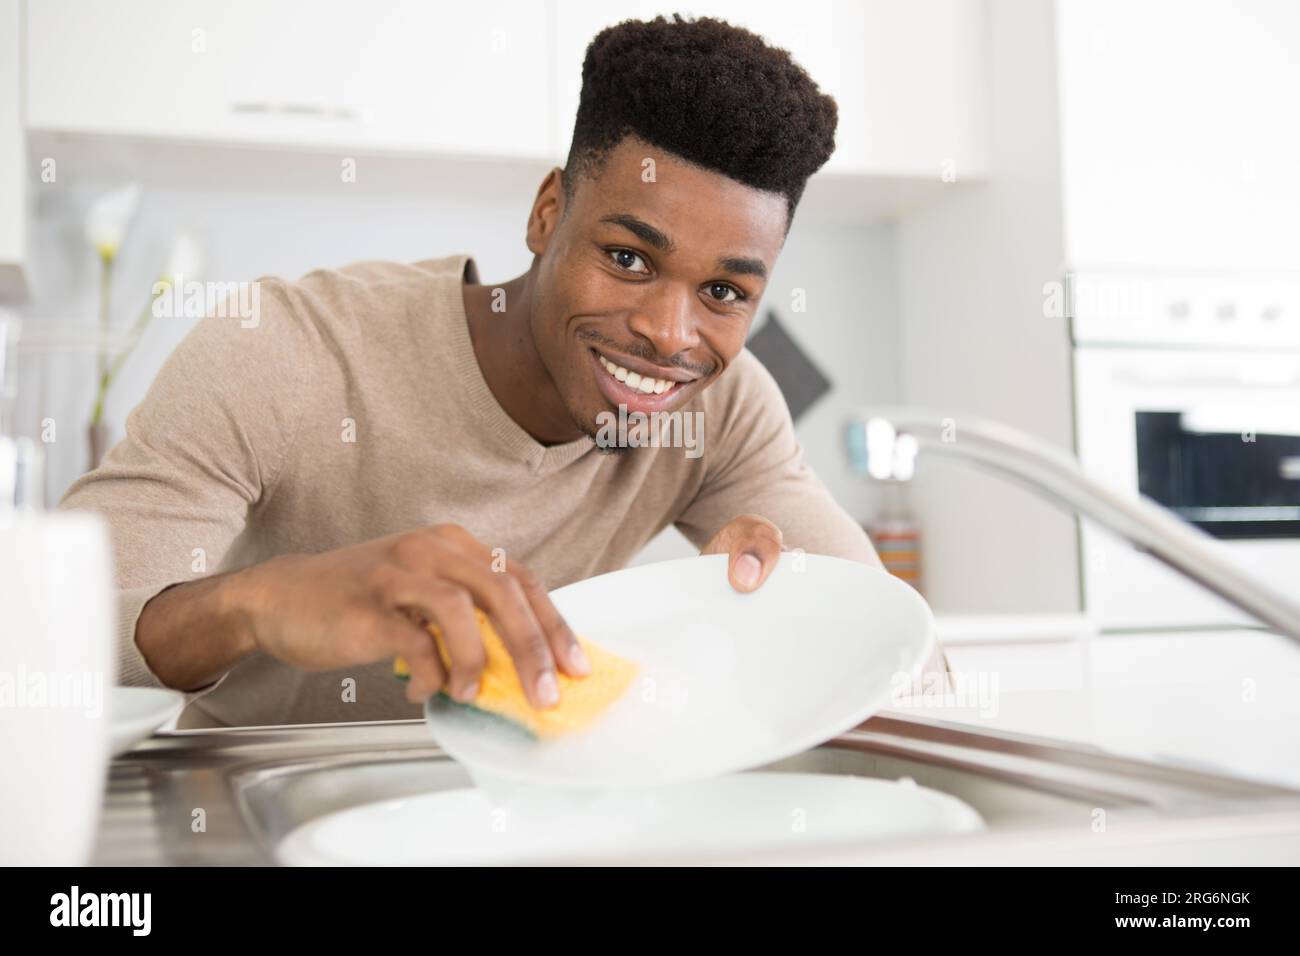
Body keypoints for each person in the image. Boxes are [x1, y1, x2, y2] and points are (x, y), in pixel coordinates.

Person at [60, 14, 950, 728]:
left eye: (722, 289)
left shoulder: (725, 413)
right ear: (547, 212)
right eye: (629, 259)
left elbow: (907, 671)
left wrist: (782, 631)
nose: (668, 335)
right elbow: (52, 629)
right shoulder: (290, 349)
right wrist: (258, 603)